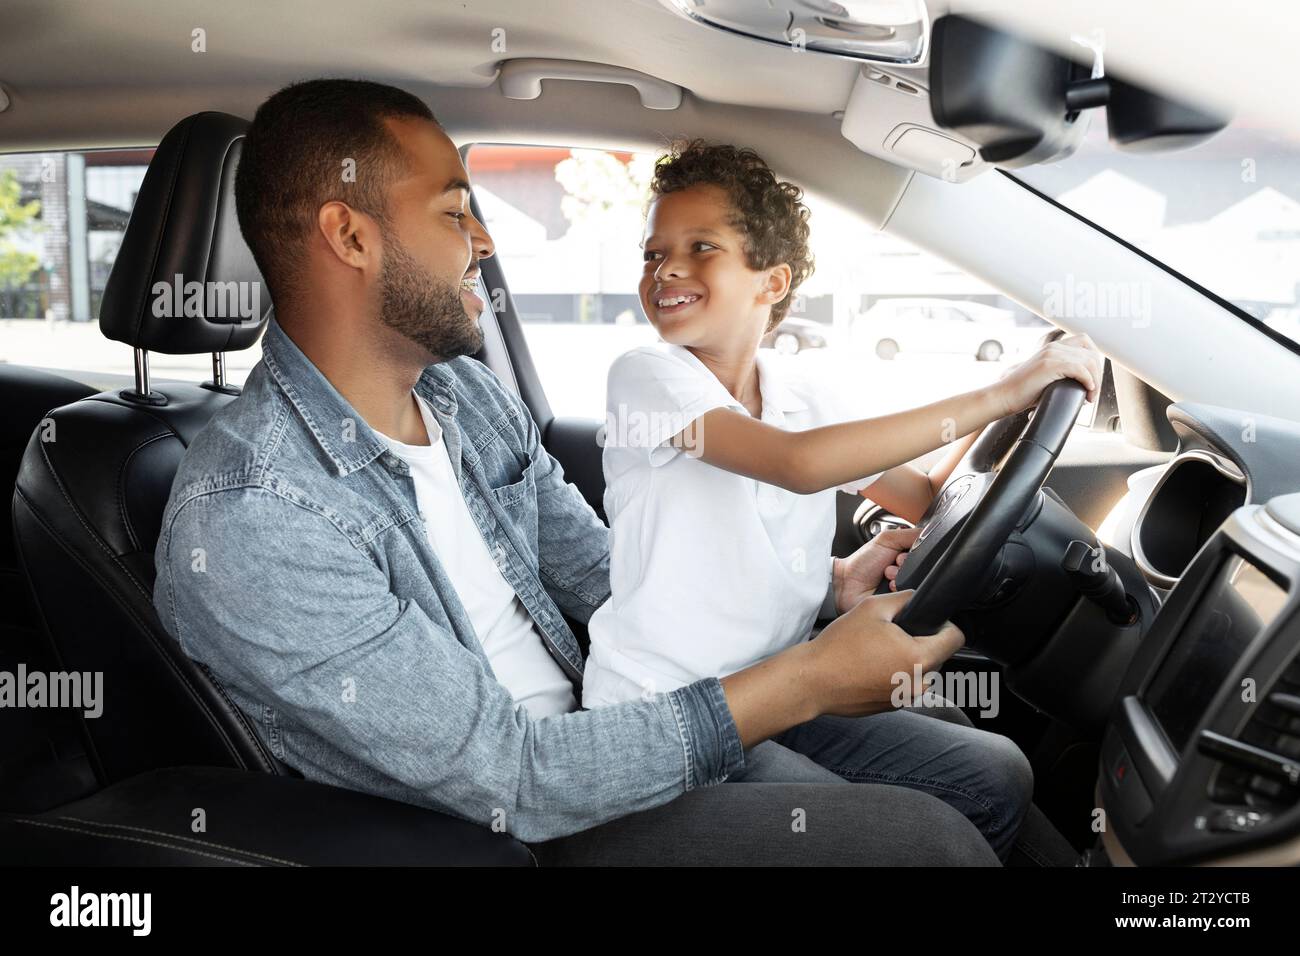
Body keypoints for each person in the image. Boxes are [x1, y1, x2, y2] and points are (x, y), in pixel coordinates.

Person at [152, 78, 1066, 865]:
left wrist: (818, 593)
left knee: (990, 776)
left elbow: (603, 574)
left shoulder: (465, 398)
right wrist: (808, 680)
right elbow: (513, 780)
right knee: (927, 844)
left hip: (604, 731)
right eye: (453, 209)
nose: (485, 239)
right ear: (350, 238)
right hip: (524, 831)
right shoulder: (254, 516)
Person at [579, 142, 1104, 859]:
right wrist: (998, 390)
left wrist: (1008, 417)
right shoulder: (648, 377)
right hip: (675, 718)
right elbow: (799, 465)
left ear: (772, 281)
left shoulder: (801, 392)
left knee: (997, 772)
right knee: (921, 836)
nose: (666, 269)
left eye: (701, 248)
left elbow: (924, 496)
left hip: (781, 685)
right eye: (653, 253)